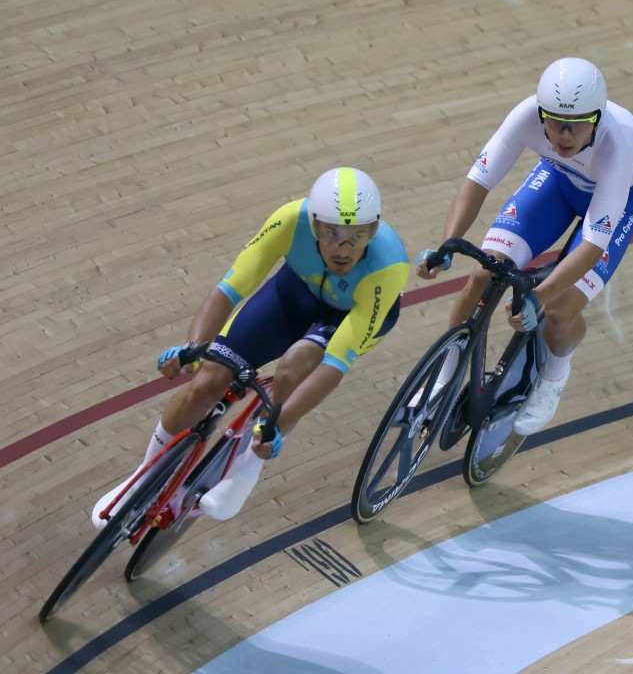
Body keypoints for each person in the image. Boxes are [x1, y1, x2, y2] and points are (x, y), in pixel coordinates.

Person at [92, 167, 408, 527]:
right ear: (315, 225)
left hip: (354, 314)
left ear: (375, 231)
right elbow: (230, 289)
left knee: (297, 363)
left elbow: (333, 366)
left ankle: (247, 467)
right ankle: (143, 478)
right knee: (207, 381)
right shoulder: (290, 221)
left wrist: (276, 426)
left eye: (357, 237)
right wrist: (191, 351)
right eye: (332, 234)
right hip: (298, 292)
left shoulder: (387, 265)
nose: (343, 248)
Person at [416, 58, 633, 435]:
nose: (563, 133)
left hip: (618, 198)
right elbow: (478, 181)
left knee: (560, 309)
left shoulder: (617, 143)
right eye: (554, 120)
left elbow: (594, 244)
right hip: (559, 180)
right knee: (483, 271)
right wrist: (447, 244)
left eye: (576, 123)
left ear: (596, 118)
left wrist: (538, 297)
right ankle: (443, 378)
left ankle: (554, 375)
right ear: (541, 112)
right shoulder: (527, 116)